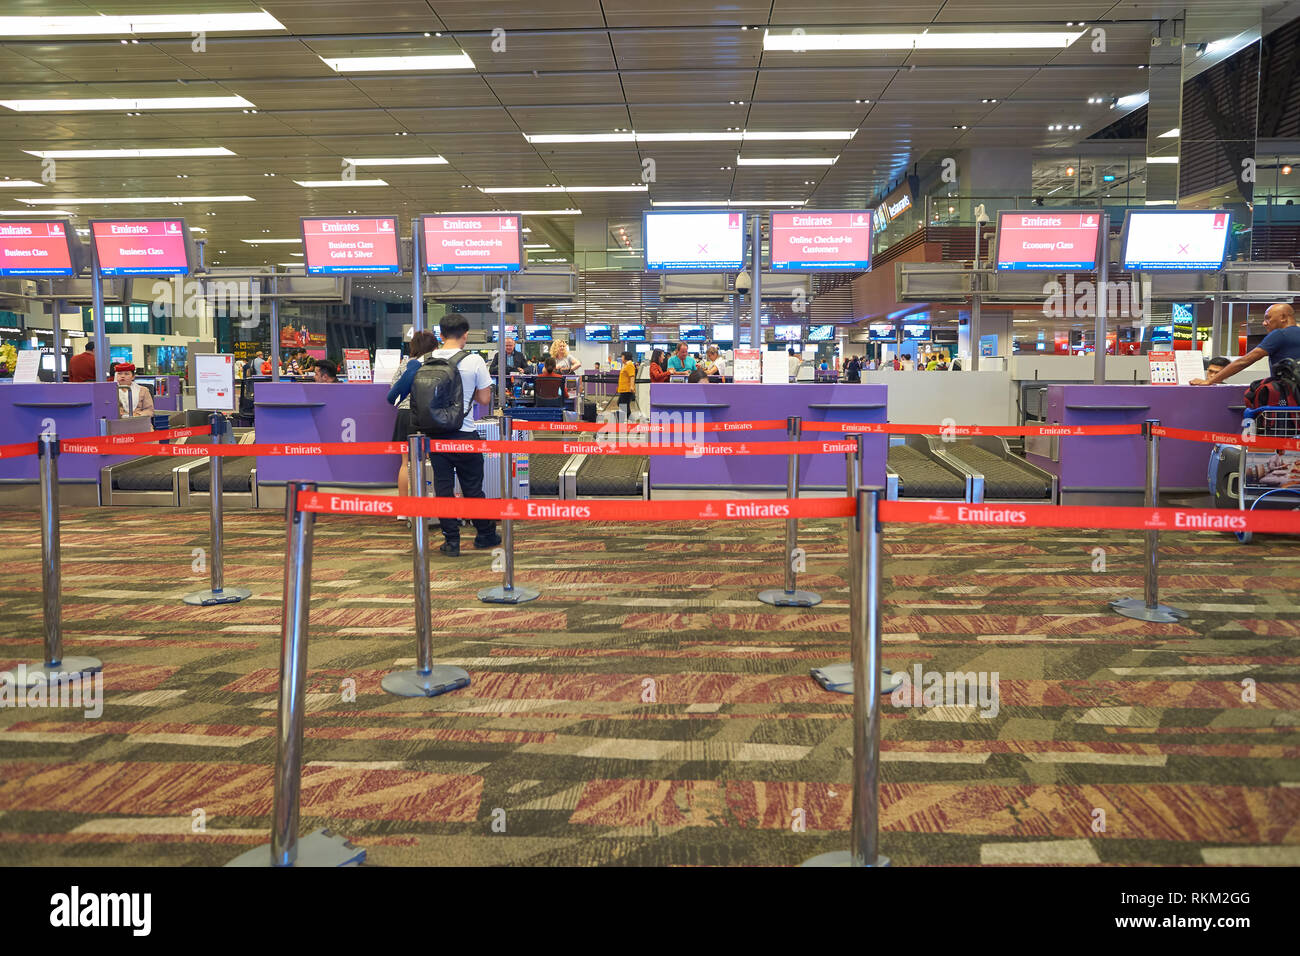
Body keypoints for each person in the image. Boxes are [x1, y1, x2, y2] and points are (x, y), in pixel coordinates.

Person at [419, 314, 497, 556]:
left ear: (441, 335)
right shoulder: (474, 361)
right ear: (465, 335)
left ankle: (451, 541)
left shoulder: (425, 359)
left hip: (436, 435)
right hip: (464, 434)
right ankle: (484, 535)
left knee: (443, 488)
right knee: (472, 487)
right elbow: (484, 399)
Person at [385, 330, 439, 512]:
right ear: (433, 347)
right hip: (426, 415)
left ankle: (403, 509)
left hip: (404, 415)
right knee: (429, 461)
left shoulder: (405, 364)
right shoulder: (434, 364)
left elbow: (393, 388)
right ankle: (428, 505)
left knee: (405, 463)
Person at [1192, 303, 1300, 386]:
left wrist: (1210, 381)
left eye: (1268, 318)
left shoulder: (1280, 334)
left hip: (1289, 396)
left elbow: (1245, 361)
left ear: (1283, 317)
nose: (1264, 323)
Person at [617, 350, 637, 415]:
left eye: (622, 356)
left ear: (626, 357)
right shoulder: (625, 365)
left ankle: (630, 419)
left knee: (623, 404)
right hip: (623, 389)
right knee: (621, 404)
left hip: (627, 389)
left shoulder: (629, 365)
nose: (621, 358)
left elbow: (632, 376)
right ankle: (629, 419)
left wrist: (632, 386)